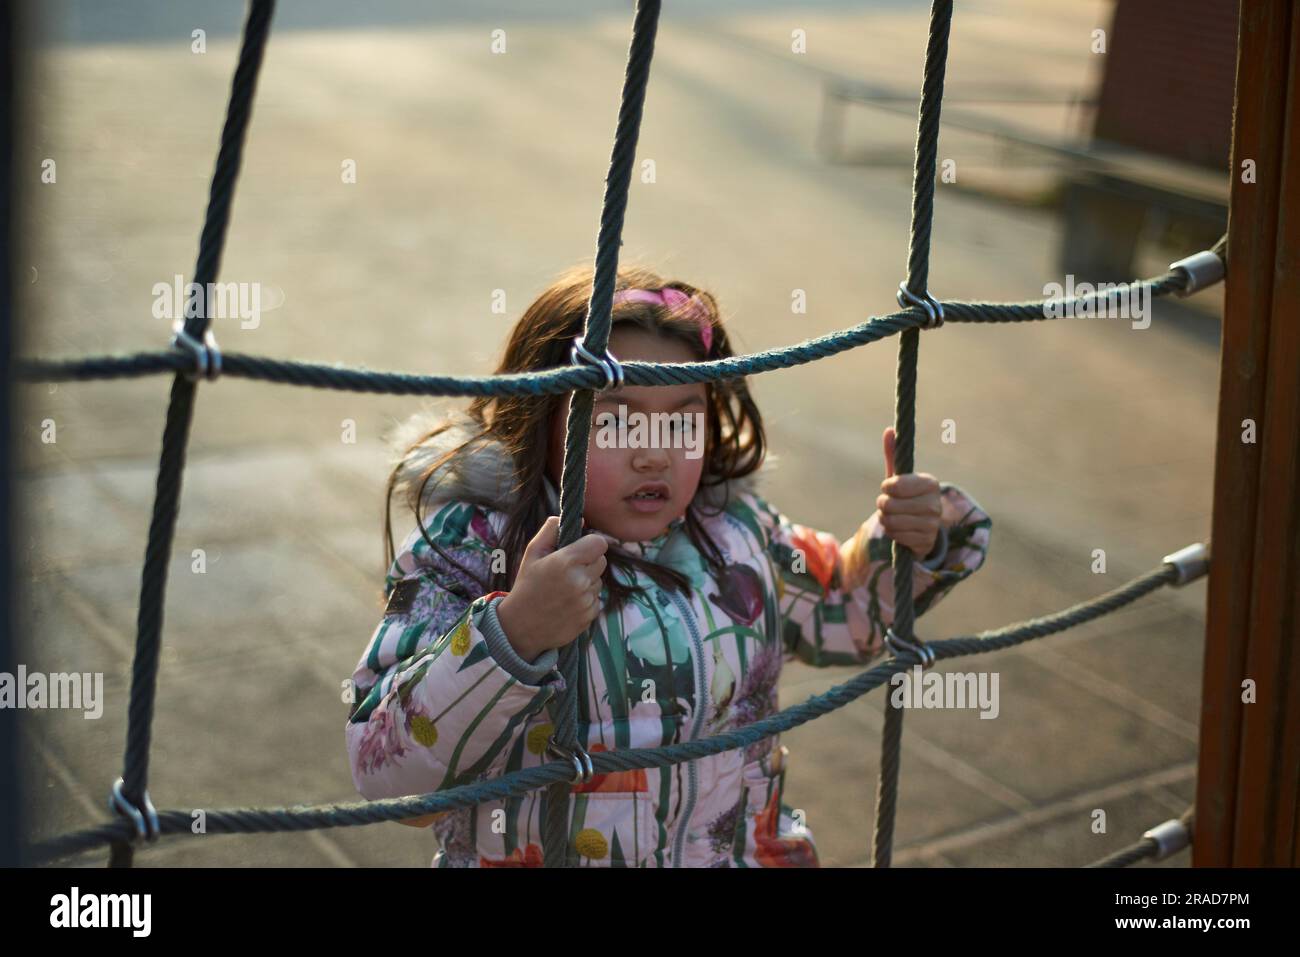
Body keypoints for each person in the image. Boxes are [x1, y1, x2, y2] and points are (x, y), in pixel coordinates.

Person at [344, 262, 993, 867]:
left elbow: (847, 612)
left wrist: (908, 541)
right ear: (539, 417)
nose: (654, 454)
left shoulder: (737, 534)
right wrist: (513, 634)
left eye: (683, 421)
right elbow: (389, 775)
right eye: (616, 422)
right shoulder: (471, 553)